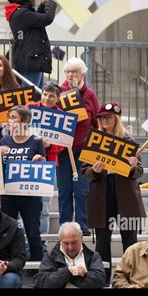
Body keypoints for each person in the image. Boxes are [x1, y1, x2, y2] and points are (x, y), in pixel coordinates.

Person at [81, 102, 146, 284]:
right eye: (101, 117)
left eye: (108, 117)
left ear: (116, 119)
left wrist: (133, 167)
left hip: (125, 196)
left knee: (130, 240)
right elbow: (84, 171)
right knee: (102, 241)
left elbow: (140, 171)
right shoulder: (94, 142)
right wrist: (94, 170)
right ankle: (103, 278)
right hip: (102, 195)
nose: (104, 120)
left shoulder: (129, 142)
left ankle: (130, 278)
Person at [58, 57, 100, 236]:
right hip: (63, 149)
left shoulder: (90, 95)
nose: (70, 75)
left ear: (82, 74)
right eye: (67, 72)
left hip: (83, 149)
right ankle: (65, 226)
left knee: (82, 190)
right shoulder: (59, 92)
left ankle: (83, 224)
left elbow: (96, 120)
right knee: (65, 190)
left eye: (74, 71)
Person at [0, 105, 45, 262]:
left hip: (29, 195)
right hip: (7, 194)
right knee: (6, 232)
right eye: (9, 118)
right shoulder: (4, 140)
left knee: (33, 233)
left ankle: (38, 269)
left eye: (14, 118)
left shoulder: (36, 141)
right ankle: (9, 263)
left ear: (24, 121)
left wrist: (38, 160)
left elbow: (44, 164)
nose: (10, 121)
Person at [29, 81, 64, 243]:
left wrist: (51, 144)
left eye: (51, 96)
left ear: (57, 98)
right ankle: (25, 241)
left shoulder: (62, 116)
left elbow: (64, 144)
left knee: (43, 206)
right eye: (45, 94)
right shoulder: (29, 109)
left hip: (48, 164)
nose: (47, 98)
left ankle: (41, 242)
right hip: (26, 163)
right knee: (26, 203)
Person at [5, 0, 56, 88]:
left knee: (37, 96)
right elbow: (47, 19)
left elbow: (36, 19)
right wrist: (50, 2)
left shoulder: (19, 13)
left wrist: (43, 4)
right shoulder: (21, 14)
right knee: (31, 96)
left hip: (32, 59)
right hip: (31, 60)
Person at [33, 222, 106, 288]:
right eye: (66, 243)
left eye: (74, 242)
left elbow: (100, 280)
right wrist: (68, 272)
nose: (70, 248)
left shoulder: (93, 256)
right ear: (60, 241)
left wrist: (70, 275)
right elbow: (42, 282)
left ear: (81, 238)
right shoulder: (50, 257)